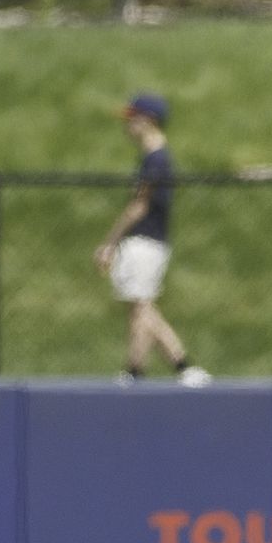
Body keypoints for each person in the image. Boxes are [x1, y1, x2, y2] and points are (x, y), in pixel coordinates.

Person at [94, 92, 210, 387]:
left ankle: (139, 372)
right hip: (146, 242)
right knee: (140, 307)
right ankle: (177, 368)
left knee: (141, 307)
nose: (127, 126)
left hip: (145, 241)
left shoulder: (156, 159)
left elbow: (139, 206)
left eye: (132, 119)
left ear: (148, 121)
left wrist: (109, 242)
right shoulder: (152, 157)